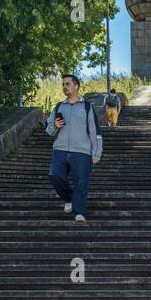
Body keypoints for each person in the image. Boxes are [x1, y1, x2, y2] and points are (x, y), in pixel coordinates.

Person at [45, 74, 102, 223]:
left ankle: (79, 213)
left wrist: (96, 153)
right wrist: (55, 126)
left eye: (67, 84)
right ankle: (68, 197)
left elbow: (95, 132)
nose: (64, 87)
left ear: (76, 86)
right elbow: (48, 130)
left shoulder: (87, 106)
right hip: (60, 149)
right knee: (54, 175)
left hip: (81, 151)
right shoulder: (58, 106)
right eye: (63, 84)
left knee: (81, 182)